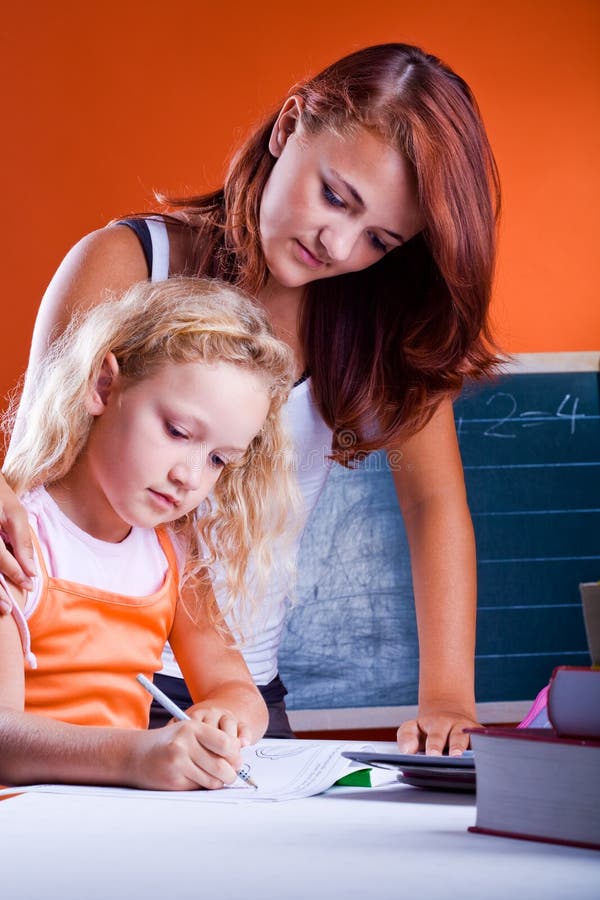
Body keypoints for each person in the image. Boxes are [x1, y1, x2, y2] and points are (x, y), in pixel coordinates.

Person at [0, 42, 501, 754]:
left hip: (238, 698)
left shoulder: (374, 331)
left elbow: (434, 503)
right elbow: (36, 459)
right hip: (78, 678)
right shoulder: (127, 263)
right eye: (335, 196)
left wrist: (448, 695)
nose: (338, 244)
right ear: (289, 123)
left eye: (380, 240)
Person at [0, 277, 297, 789]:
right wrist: (135, 757)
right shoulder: (18, 541)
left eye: (219, 460)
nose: (190, 476)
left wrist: (226, 715)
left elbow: (235, 687)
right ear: (104, 386)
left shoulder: (171, 552)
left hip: (120, 823)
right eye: (178, 433)